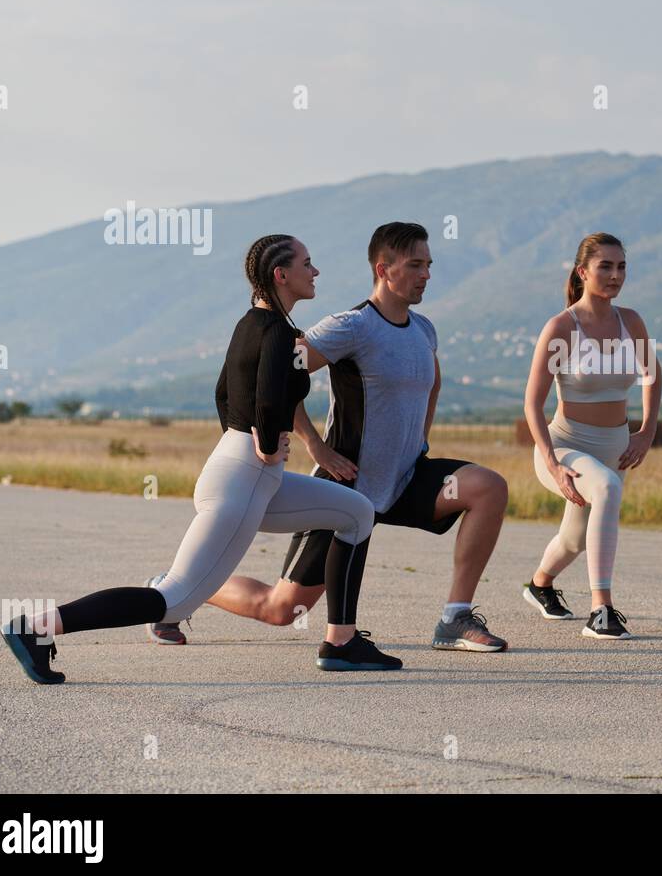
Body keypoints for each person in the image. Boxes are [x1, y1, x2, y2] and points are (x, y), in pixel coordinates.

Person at [1, 234, 398, 684]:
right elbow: (269, 402)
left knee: (357, 512)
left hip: (243, 470)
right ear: (280, 275)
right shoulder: (281, 334)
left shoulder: (250, 323)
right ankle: (35, 627)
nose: (316, 271)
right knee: (173, 600)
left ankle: (342, 642)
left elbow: (223, 393)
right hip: (246, 477)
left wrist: (249, 442)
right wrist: (267, 446)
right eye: (308, 263)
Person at [149, 222, 511, 653]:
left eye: (429, 265)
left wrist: (418, 444)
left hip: (407, 478)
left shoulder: (425, 330)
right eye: (415, 264)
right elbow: (281, 376)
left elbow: (431, 387)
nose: (426, 274)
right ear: (384, 268)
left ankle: (454, 618)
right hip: (347, 481)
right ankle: (176, 591)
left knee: (489, 487)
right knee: (281, 609)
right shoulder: (350, 326)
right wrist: (316, 446)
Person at [522, 232, 662, 639]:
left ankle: (539, 585)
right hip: (565, 445)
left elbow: (653, 375)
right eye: (605, 266)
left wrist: (646, 431)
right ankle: (602, 610)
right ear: (583, 272)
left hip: (617, 447)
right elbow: (532, 404)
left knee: (574, 539)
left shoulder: (631, 322)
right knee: (604, 490)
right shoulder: (562, 327)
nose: (615, 275)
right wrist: (552, 462)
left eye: (621, 267)